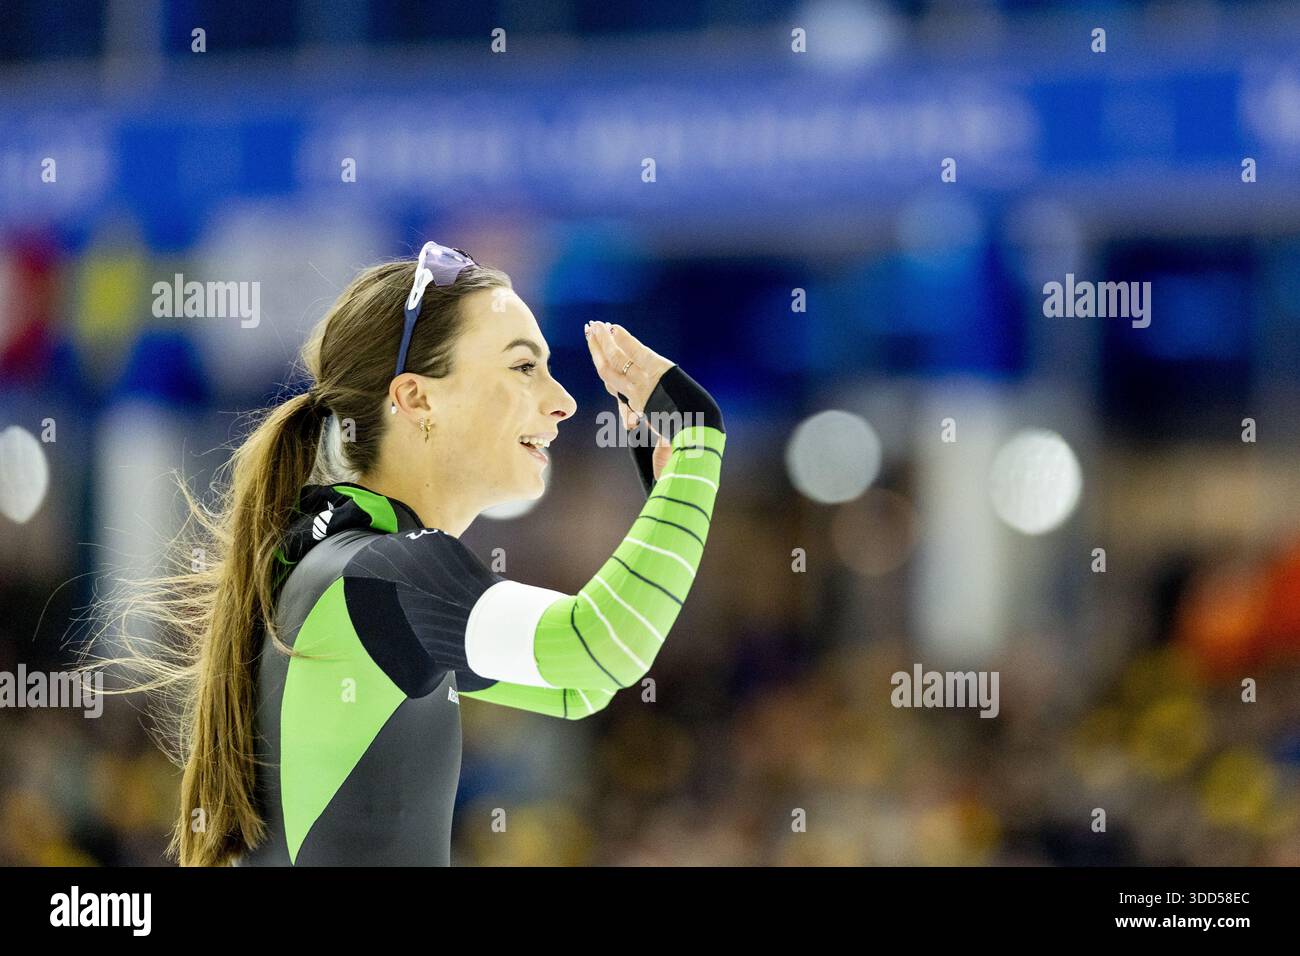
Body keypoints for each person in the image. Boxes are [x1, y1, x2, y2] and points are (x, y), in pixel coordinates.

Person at [84, 241, 726, 866]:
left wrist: (667, 499)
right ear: (417, 399)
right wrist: (698, 443)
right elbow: (600, 647)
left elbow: (577, 684)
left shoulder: (346, 568)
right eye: (524, 366)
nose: (562, 402)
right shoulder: (384, 572)